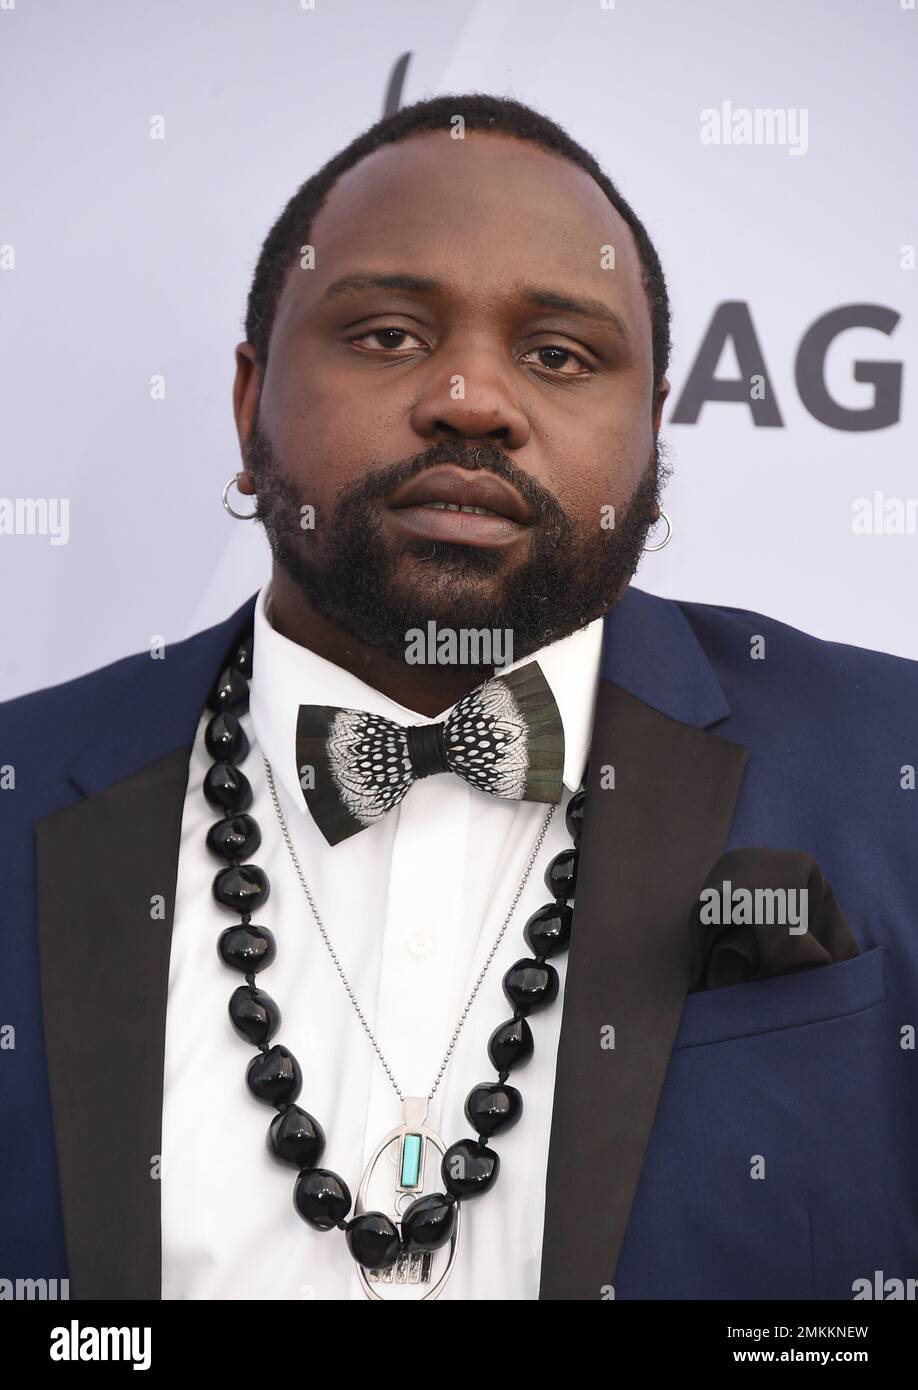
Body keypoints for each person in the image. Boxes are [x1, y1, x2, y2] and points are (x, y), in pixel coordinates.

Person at [2, 93, 916, 1303]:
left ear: (655, 439)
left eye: (560, 355)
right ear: (248, 398)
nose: (472, 399)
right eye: (386, 334)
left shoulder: (889, 767)